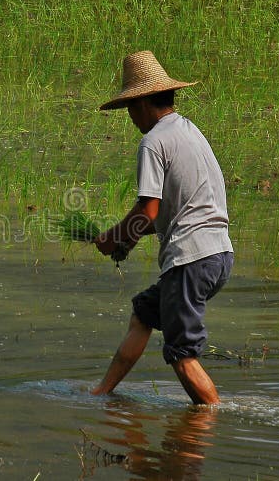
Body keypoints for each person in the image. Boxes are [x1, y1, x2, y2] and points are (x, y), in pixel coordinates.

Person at [91, 51, 233, 405]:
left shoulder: (153, 142)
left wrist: (115, 239)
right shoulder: (189, 131)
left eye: (128, 109)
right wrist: (128, 238)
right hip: (218, 254)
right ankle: (100, 393)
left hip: (190, 259)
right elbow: (173, 212)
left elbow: (148, 208)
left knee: (182, 356)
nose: (130, 118)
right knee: (144, 314)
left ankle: (213, 420)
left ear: (140, 104)